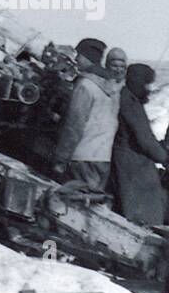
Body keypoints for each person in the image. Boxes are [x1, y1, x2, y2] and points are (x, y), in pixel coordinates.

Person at [109, 63, 169, 225]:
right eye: (147, 84)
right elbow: (144, 138)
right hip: (133, 163)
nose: (150, 89)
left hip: (132, 159)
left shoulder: (128, 98)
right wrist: (167, 160)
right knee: (144, 206)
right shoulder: (130, 103)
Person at [52, 37, 121, 192]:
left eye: (79, 55)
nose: (76, 59)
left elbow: (74, 126)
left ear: (87, 57)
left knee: (74, 206)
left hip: (81, 158)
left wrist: (61, 159)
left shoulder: (85, 85)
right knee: (92, 204)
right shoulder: (113, 87)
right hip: (102, 157)